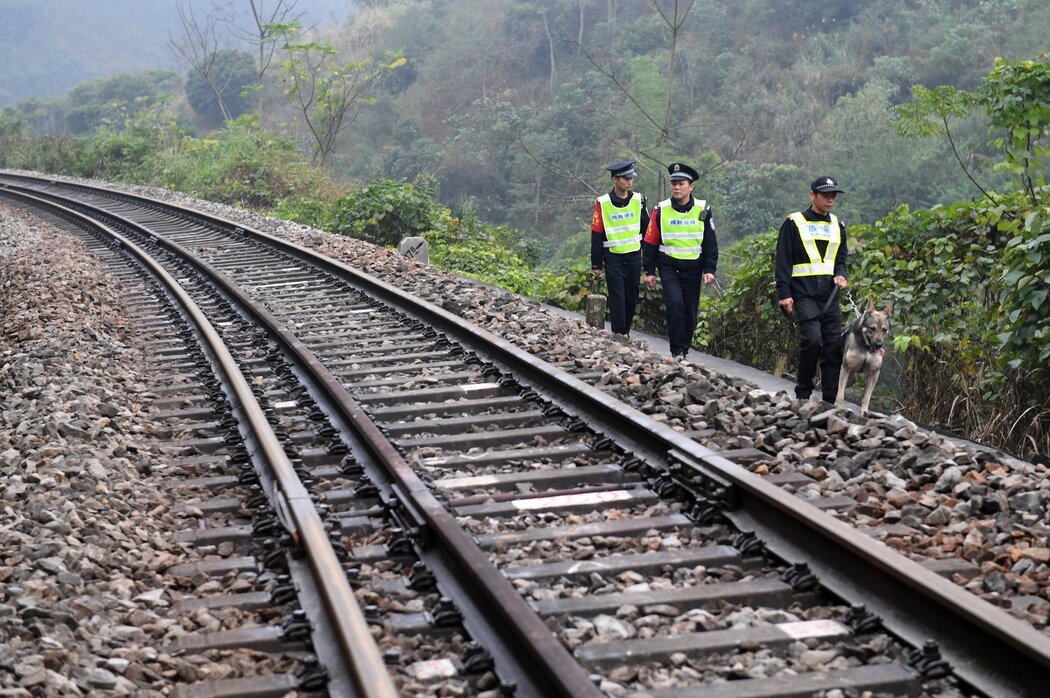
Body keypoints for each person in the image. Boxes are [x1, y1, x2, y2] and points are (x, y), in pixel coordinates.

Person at [775, 175, 849, 404]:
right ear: (812, 196)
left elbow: (842, 258)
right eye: (825, 195)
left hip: (830, 295)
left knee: (833, 347)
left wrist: (841, 275)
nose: (830, 200)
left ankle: (829, 399)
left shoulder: (838, 225)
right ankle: (803, 392)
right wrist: (784, 293)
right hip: (803, 293)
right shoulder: (794, 222)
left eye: (833, 196)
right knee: (812, 341)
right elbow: (783, 260)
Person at [642, 162, 718, 359]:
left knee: (690, 312)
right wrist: (649, 271)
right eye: (673, 183)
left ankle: (684, 348)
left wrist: (710, 269)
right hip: (668, 267)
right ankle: (676, 351)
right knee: (675, 305)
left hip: (693, 269)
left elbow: (710, 242)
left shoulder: (703, 209)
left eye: (681, 183)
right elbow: (650, 241)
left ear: (690, 186)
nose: (676, 187)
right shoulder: (661, 209)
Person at [591, 160, 649, 337]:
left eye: (631, 178)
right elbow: (596, 233)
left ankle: (626, 332)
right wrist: (596, 264)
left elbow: (647, 230)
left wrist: (648, 262)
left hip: (633, 257)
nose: (629, 182)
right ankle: (618, 334)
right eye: (625, 178)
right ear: (615, 180)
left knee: (631, 298)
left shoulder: (639, 200)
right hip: (612, 257)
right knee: (617, 298)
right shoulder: (603, 203)